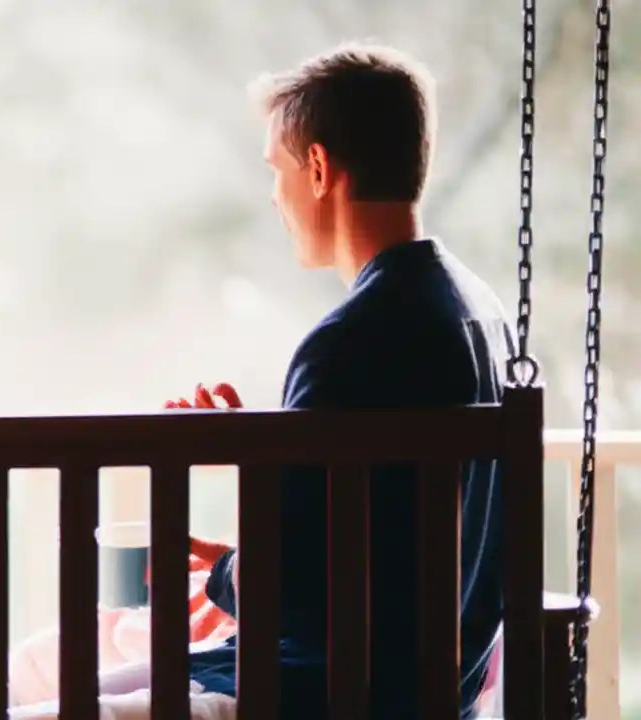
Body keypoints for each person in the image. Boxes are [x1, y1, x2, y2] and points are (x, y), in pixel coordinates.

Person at [174, 44, 510, 718]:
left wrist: (227, 575)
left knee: (44, 690)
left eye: (277, 170)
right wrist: (263, 459)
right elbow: (380, 543)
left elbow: (287, 594)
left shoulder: (349, 344)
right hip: (442, 690)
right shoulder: (481, 314)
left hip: (331, 691)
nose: (274, 196)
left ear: (319, 168)